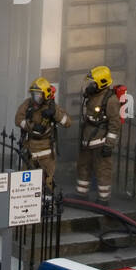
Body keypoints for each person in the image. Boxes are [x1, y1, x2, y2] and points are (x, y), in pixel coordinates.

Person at [15, 77, 70, 194]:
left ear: (45, 95)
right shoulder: (28, 103)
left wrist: (55, 113)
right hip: (29, 148)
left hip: (46, 151)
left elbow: (67, 122)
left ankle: (47, 206)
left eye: (38, 95)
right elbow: (18, 119)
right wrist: (32, 126)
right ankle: (27, 205)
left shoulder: (52, 107)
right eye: (34, 94)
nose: (35, 98)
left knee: (47, 182)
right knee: (26, 181)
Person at [76, 65, 122, 203]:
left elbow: (115, 125)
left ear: (101, 83)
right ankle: (81, 195)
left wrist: (109, 145)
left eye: (94, 83)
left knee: (103, 170)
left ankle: (103, 199)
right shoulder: (92, 95)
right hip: (87, 140)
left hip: (100, 143)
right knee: (83, 167)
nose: (91, 85)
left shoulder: (111, 100)